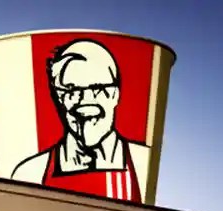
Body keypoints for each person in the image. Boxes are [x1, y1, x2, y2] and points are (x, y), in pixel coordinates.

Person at [11, 39, 150, 202]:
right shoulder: (30, 173)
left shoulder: (145, 163)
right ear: (59, 98)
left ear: (115, 95)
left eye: (98, 89)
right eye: (72, 91)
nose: (85, 103)